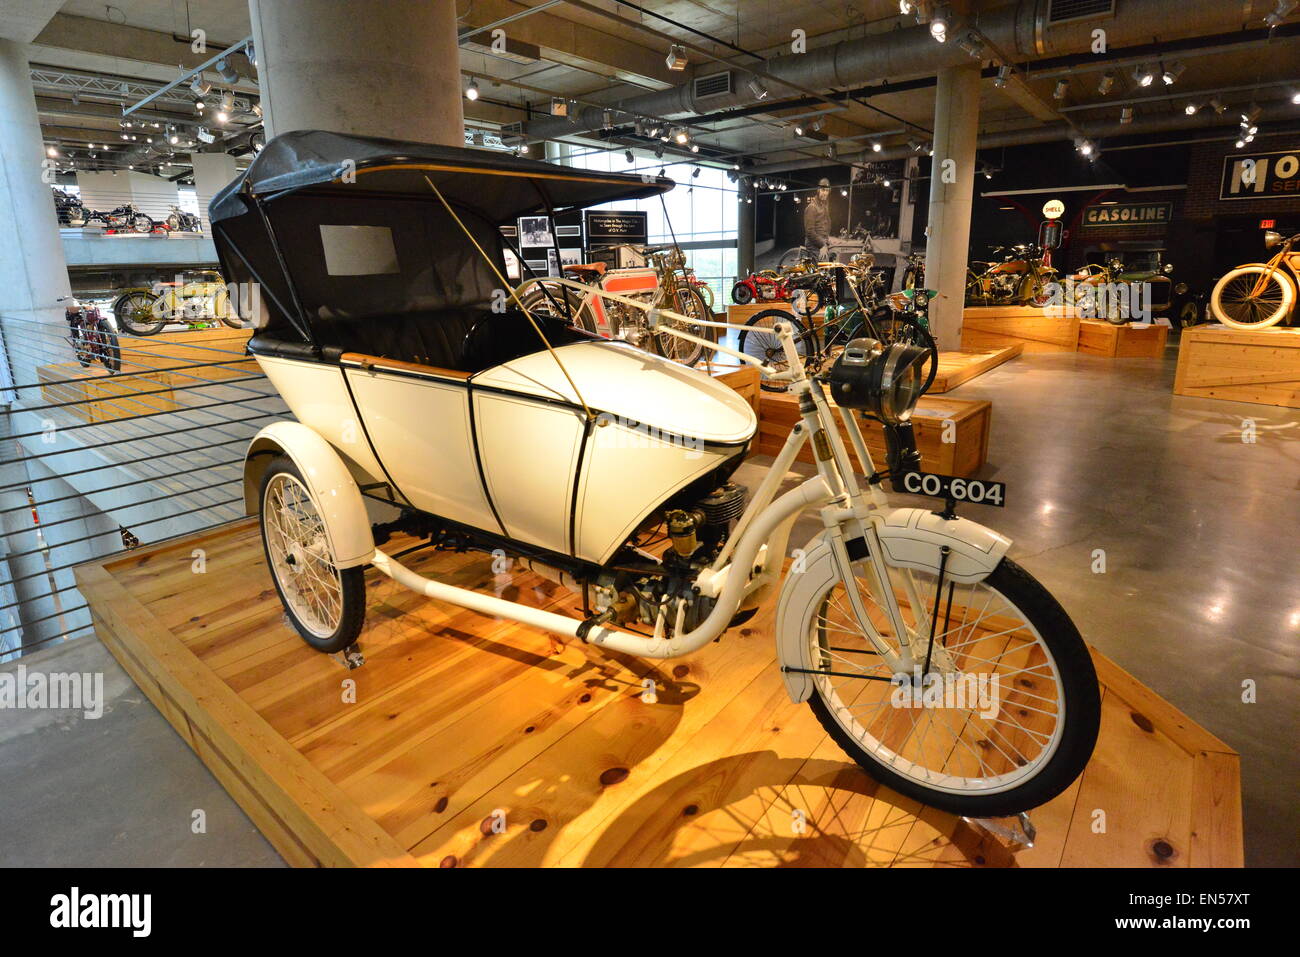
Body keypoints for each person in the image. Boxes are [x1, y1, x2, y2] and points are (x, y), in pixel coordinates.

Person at [803, 178, 832, 261]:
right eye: (823, 190)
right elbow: (809, 231)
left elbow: (826, 223)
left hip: (822, 241)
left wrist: (827, 239)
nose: (825, 193)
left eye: (827, 191)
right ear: (818, 190)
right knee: (823, 267)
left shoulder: (823, 206)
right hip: (814, 244)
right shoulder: (812, 207)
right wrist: (822, 245)